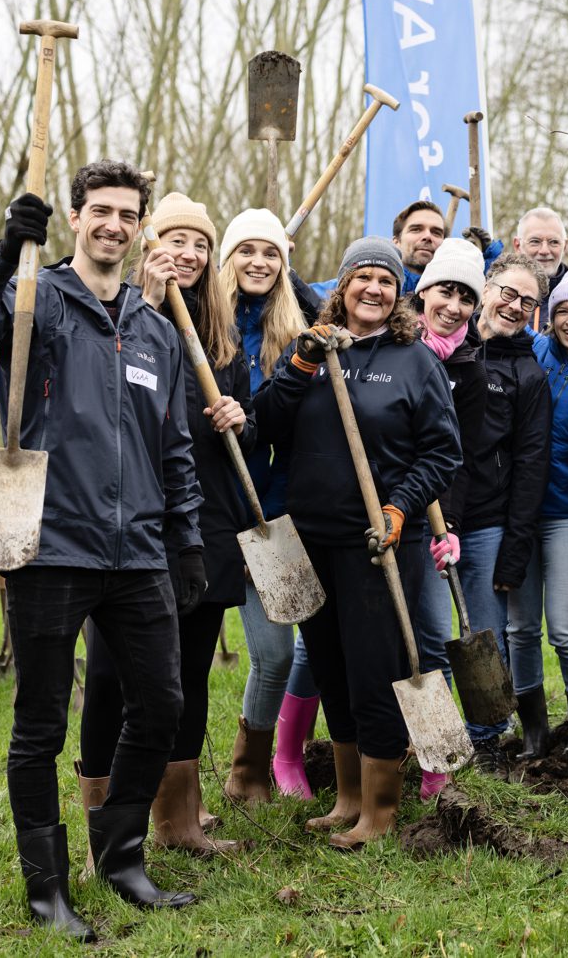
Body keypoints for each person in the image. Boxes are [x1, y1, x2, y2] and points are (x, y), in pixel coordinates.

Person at [0, 161, 201, 940]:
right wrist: (5, 247)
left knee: (164, 704)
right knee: (40, 724)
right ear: (78, 218)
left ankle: (121, 860)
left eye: (128, 214)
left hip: (139, 549)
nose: (114, 225)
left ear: (140, 224)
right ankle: (47, 888)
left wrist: (184, 539)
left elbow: (176, 446)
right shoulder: (34, 299)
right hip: (51, 543)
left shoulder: (155, 330)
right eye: (101, 212)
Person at [254, 237, 462, 849]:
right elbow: (265, 422)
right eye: (361, 278)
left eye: (385, 280)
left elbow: (443, 451)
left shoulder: (413, 358)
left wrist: (400, 507)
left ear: (400, 293)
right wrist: (300, 367)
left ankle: (380, 810)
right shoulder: (308, 349)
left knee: (376, 671)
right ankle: (346, 797)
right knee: (330, 667)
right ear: (341, 287)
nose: (373, 289)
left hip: (377, 540)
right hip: (307, 534)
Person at [77, 193, 252, 860]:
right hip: (123, 528)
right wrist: (143, 313)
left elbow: (237, 442)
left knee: (187, 676)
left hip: (202, 525)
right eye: (175, 240)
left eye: (200, 244)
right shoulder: (112, 317)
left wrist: (241, 416)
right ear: (151, 248)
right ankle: (103, 835)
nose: (188, 252)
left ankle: (178, 822)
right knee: (113, 679)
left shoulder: (221, 342)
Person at [215, 208, 323, 803]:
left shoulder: (292, 332)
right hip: (208, 513)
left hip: (269, 515)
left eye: (271, 253)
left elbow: (333, 316)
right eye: (246, 251)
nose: (258, 262)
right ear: (226, 261)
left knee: (276, 653)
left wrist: (291, 268)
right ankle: (173, 778)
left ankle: (249, 768)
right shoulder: (202, 323)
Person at [455, 254, 553, 761]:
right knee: (427, 631)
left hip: (486, 522)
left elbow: (532, 463)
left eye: (528, 302)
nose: (514, 307)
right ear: (486, 288)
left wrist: (516, 544)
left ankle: (486, 737)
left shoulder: (528, 375)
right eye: (508, 294)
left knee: (484, 636)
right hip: (421, 513)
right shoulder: (443, 346)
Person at [509, 267, 568, 762]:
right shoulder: (533, 352)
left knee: (566, 626)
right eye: (562, 310)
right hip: (519, 512)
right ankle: (532, 731)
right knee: (520, 628)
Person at [408, 237, 489, 785]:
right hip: (370, 507)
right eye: (445, 290)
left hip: (428, 515)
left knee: (436, 634)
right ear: (423, 292)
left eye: (465, 296)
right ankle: (287, 752)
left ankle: (436, 761)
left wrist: (450, 527)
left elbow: (462, 458)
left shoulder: (470, 369)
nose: (453, 305)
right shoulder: (390, 347)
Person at [513, 206, 568, 326]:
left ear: (564, 246)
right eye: (535, 241)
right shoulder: (501, 293)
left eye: (554, 242)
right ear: (518, 245)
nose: (544, 251)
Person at [392, 200, 447, 294]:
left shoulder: (459, 293)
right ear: (396, 242)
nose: (427, 236)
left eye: (436, 233)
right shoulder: (378, 288)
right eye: (416, 230)